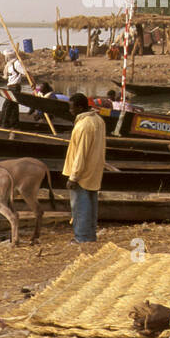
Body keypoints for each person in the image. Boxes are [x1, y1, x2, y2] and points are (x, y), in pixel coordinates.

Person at [63, 93, 105, 243]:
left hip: (82, 172)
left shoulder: (84, 125)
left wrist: (73, 177)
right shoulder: (99, 120)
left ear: (80, 107)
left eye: (72, 108)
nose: (70, 111)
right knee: (91, 205)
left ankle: (82, 237)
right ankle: (89, 235)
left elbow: (81, 153)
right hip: (94, 169)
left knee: (80, 206)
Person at [0, 51, 25, 128]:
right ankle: (14, 124)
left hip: (15, 88)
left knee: (7, 105)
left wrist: (33, 82)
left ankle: (4, 124)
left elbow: (25, 72)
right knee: (13, 106)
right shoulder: (9, 65)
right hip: (10, 87)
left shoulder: (17, 63)